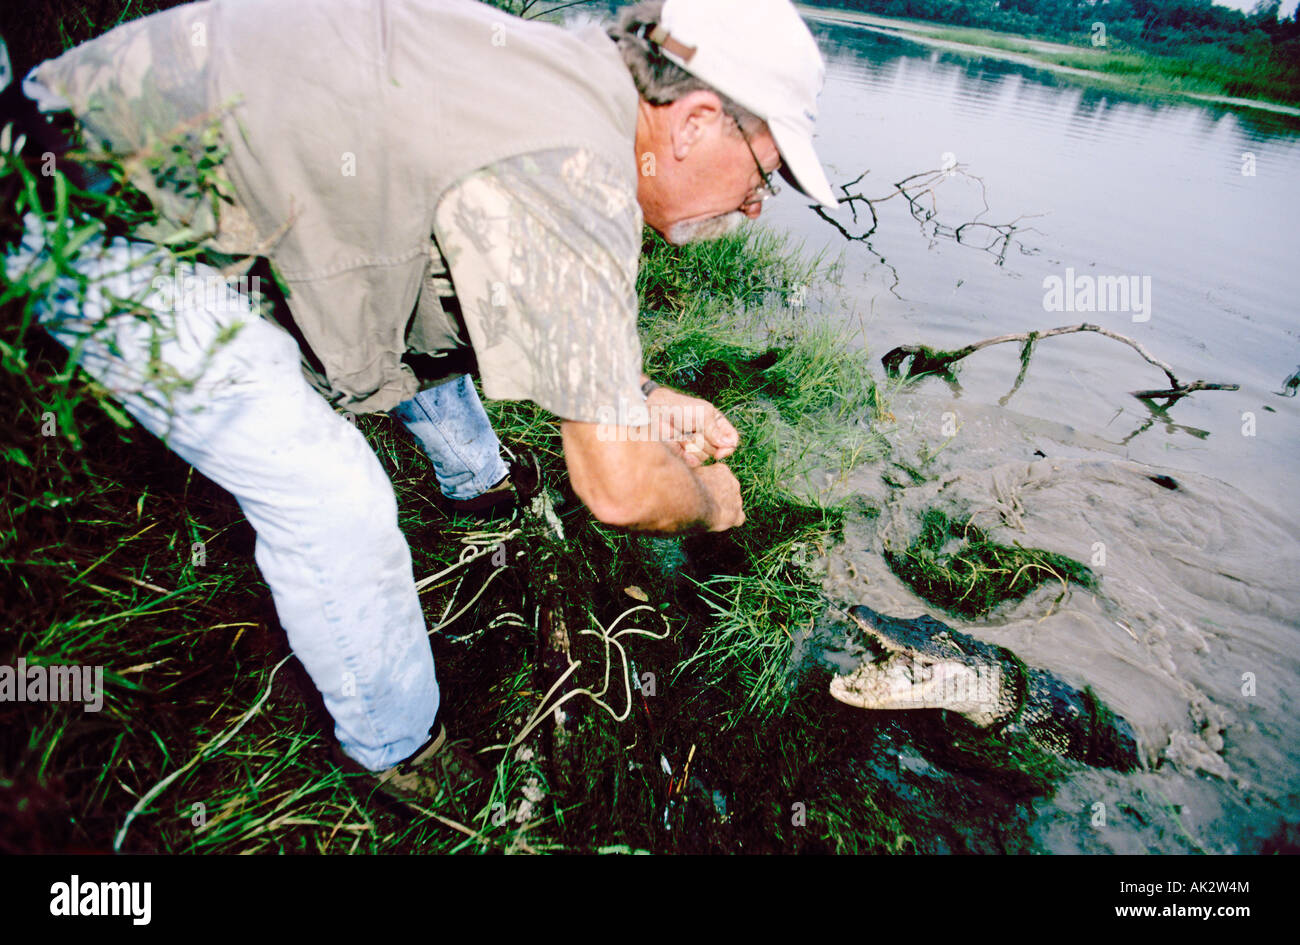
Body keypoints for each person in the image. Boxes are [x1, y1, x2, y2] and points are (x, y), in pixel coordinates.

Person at [1, 0, 838, 806]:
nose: (754, 206)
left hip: (187, 177)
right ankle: (398, 751)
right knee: (332, 499)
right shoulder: (575, 166)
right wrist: (711, 504)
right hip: (88, 208)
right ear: (693, 123)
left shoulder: (569, 81)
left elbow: (476, 291)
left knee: (423, 342)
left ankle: (480, 485)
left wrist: (640, 395)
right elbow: (616, 489)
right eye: (764, 175)